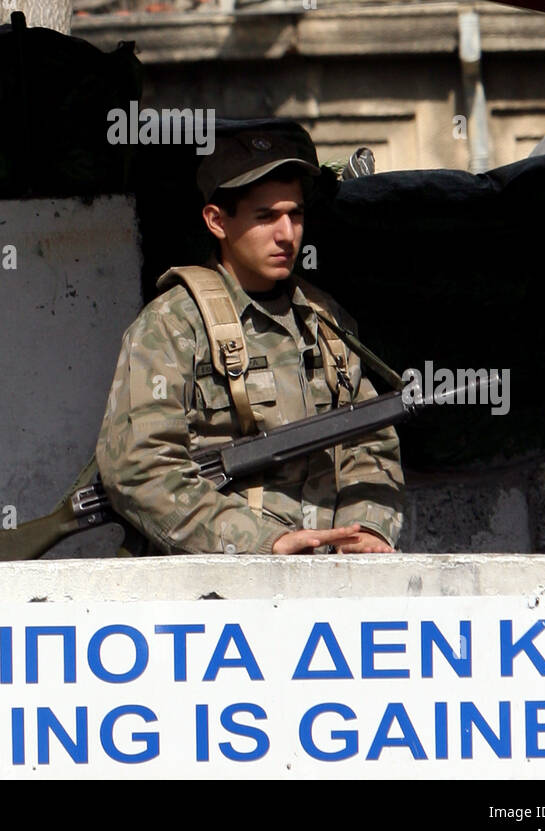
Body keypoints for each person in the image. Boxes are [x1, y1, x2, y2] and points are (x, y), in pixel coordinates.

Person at [96, 119, 404, 556]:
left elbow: (369, 439)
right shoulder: (173, 326)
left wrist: (368, 530)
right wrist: (263, 542)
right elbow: (139, 468)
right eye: (266, 217)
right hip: (218, 593)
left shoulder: (325, 321)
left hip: (331, 584)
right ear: (217, 221)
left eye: (295, 214)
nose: (287, 234)